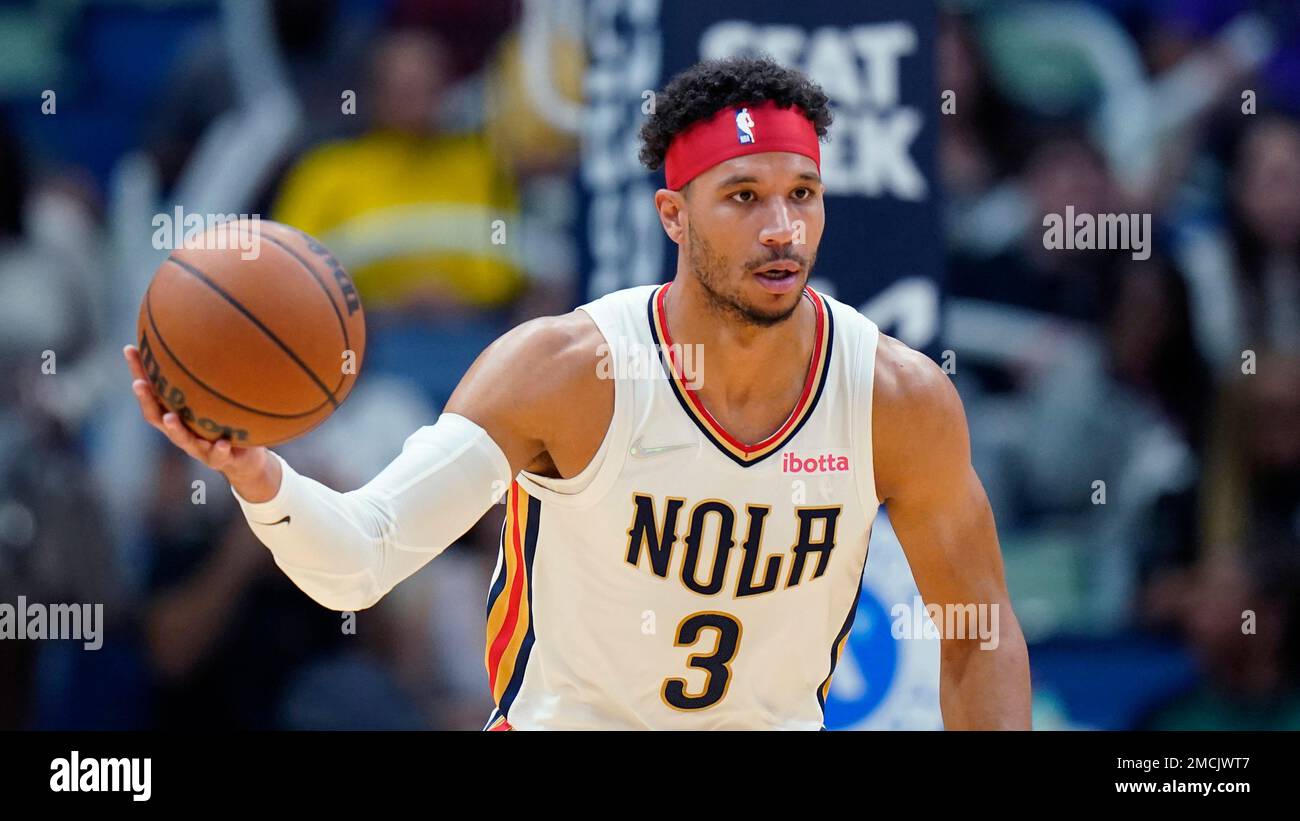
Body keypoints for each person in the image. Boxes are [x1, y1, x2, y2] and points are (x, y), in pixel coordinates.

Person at [123, 57, 1031, 730]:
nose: (782, 228)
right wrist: (258, 475)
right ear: (673, 215)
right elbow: (361, 560)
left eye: (803, 194)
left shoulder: (895, 397)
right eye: (744, 197)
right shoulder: (562, 371)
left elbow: (978, 631)